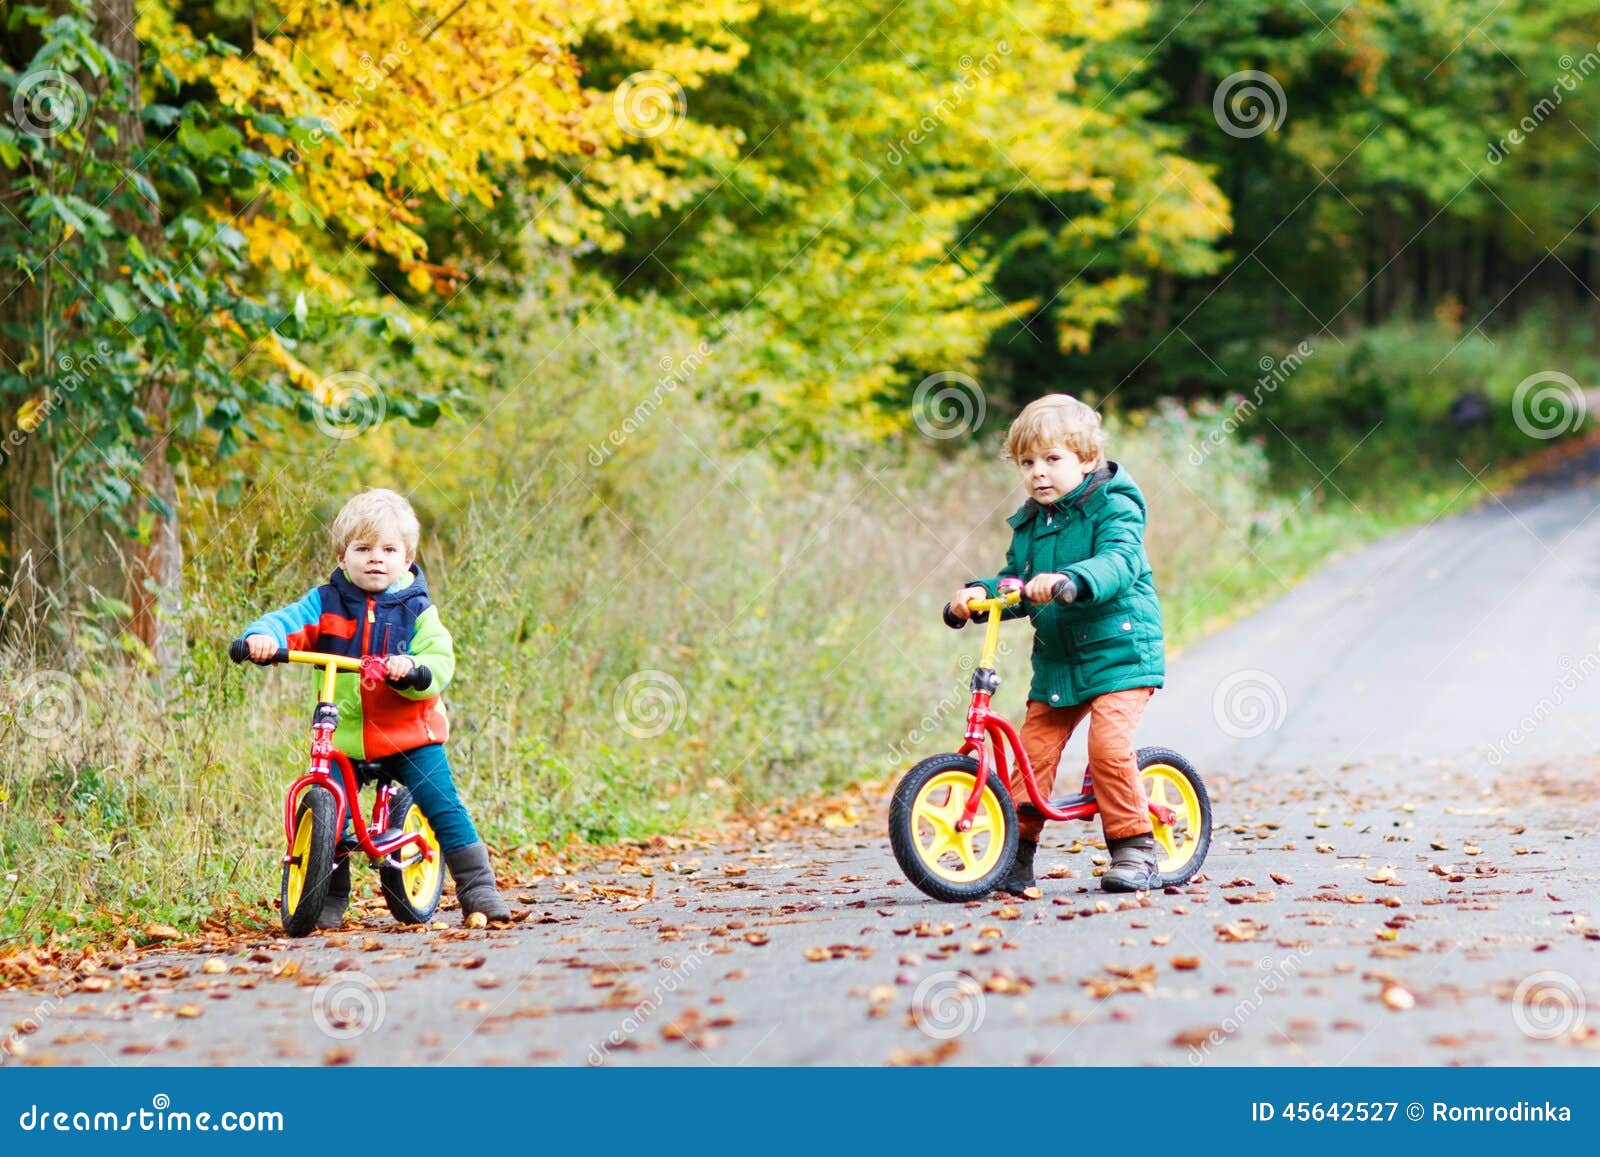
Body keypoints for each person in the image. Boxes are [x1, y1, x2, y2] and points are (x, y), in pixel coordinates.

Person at [242, 488, 512, 926]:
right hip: (344, 736)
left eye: (389, 549)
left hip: (409, 734)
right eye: (363, 548)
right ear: (341, 556)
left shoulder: (417, 611)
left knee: (440, 801)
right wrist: (263, 637)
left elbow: (439, 658)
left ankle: (477, 885)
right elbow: (286, 622)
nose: (376, 559)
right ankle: (326, 894)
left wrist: (414, 669)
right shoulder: (325, 603)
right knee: (329, 803)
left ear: (407, 559)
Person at [947, 394, 1166, 894]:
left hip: (1121, 653)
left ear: (1087, 460)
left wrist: (1071, 579)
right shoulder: (1030, 523)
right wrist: (981, 592)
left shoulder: (1115, 504)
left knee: (1108, 746)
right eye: (1027, 463)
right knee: (1032, 754)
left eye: (1052, 460)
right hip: (1059, 662)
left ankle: (1135, 847)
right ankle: (1016, 856)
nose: (1037, 473)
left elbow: (1119, 561)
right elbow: (1015, 581)